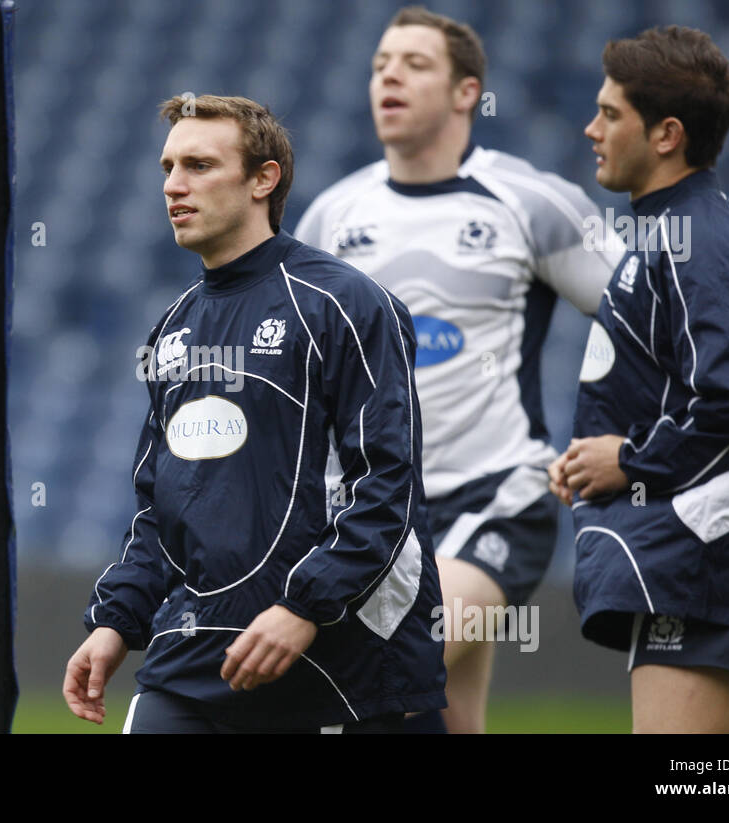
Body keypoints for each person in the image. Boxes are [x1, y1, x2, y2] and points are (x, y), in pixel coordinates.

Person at [62, 94, 446, 733]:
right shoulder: (174, 331)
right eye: (167, 168)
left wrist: (304, 607)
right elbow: (161, 506)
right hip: (194, 651)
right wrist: (115, 619)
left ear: (263, 179)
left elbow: (386, 488)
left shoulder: (346, 304)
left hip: (336, 658)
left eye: (199, 166)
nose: (174, 186)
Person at [295, 6, 619, 733]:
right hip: (376, 511)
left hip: (494, 495)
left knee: (388, 669)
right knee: (445, 717)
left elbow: (643, 320)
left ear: (467, 91)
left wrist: (614, 438)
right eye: (381, 64)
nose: (390, 78)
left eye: (414, 64)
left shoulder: (529, 202)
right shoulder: (330, 216)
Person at [549, 25, 729, 733]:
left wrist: (630, 460)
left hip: (714, 567)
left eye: (611, 114)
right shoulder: (675, 234)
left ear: (667, 133)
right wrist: (600, 458)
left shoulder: (704, 237)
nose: (592, 129)